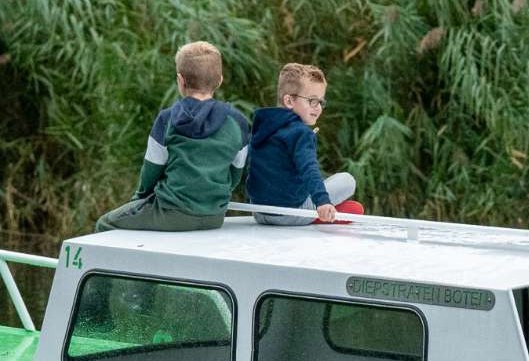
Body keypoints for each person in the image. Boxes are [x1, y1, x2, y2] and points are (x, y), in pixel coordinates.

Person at [96, 41, 251, 232]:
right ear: (219, 80)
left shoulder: (166, 119)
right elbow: (236, 174)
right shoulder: (239, 122)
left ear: (180, 80)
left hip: (171, 212)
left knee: (104, 223)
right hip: (214, 216)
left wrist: (139, 200)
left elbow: (151, 171)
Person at [246, 62, 364, 225]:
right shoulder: (300, 132)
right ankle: (321, 213)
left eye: (321, 102)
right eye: (312, 101)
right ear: (289, 101)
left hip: (259, 213)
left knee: (310, 183)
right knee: (347, 180)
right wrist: (322, 201)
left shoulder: (262, 126)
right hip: (290, 214)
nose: (318, 108)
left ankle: (324, 209)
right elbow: (309, 168)